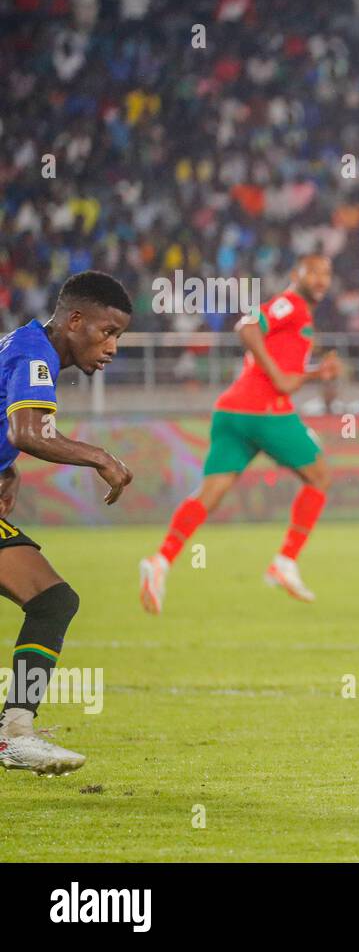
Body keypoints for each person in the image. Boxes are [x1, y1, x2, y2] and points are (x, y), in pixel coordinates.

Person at [139, 256, 341, 612]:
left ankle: (160, 561)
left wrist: (313, 373)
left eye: (327, 273)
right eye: (314, 272)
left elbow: (283, 370)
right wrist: (280, 377)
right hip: (264, 411)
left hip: (232, 411)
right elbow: (247, 327)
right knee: (320, 475)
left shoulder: (300, 316)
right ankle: (285, 562)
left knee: (210, 493)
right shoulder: (290, 303)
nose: (322, 279)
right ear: (296, 274)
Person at [0, 271, 133, 775]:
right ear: (75, 319)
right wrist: (99, 457)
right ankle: (14, 733)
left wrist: (6, 467)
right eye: (108, 331)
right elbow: (29, 431)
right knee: (52, 600)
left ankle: (14, 731)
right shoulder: (34, 353)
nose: (113, 346)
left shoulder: (24, 345)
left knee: (53, 600)